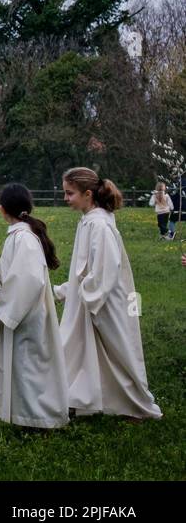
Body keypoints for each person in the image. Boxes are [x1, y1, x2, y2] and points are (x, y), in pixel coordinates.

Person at [55, 168, 162, 419]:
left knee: (117, 351)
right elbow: (84, 269)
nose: (66, 198)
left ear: (88, 194)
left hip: (104, 301)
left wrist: (86, 298)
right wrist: (64, 292)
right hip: (89, 298)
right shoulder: (90, 220)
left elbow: (105, 269)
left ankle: (136, 406)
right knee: (78, 349)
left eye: (70, 193)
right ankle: (78, 398)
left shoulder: (99, 225)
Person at [0, 183, 68, 430]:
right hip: (22, 312)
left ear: (2, 209)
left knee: (30, 367)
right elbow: (5, 271)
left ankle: (40, 419)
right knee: (22, 368)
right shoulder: (17, 236)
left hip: (28, 315)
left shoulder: (24, 239)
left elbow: (29, 279)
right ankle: (25, 417)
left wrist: (6, 306)